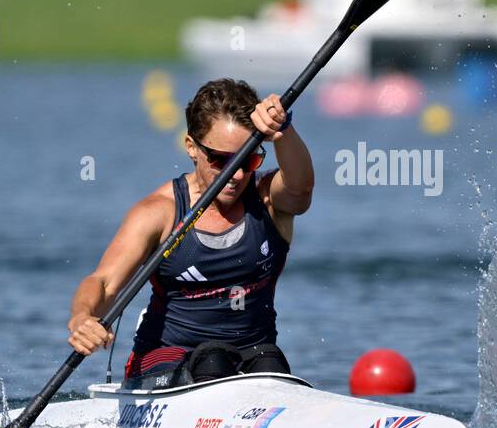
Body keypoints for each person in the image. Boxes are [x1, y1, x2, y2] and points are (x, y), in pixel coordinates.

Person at [65, 78, 314, 389]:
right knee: (213, 361)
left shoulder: (267, 199)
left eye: (248, 159)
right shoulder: (159, 212)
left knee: (271, 363)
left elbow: (300, 190)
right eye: (220, 160)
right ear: (192, 148)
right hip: (166, 358)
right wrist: (82, 318)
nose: (236, 175)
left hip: (254, 358)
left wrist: (282, 131)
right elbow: (103, 282)